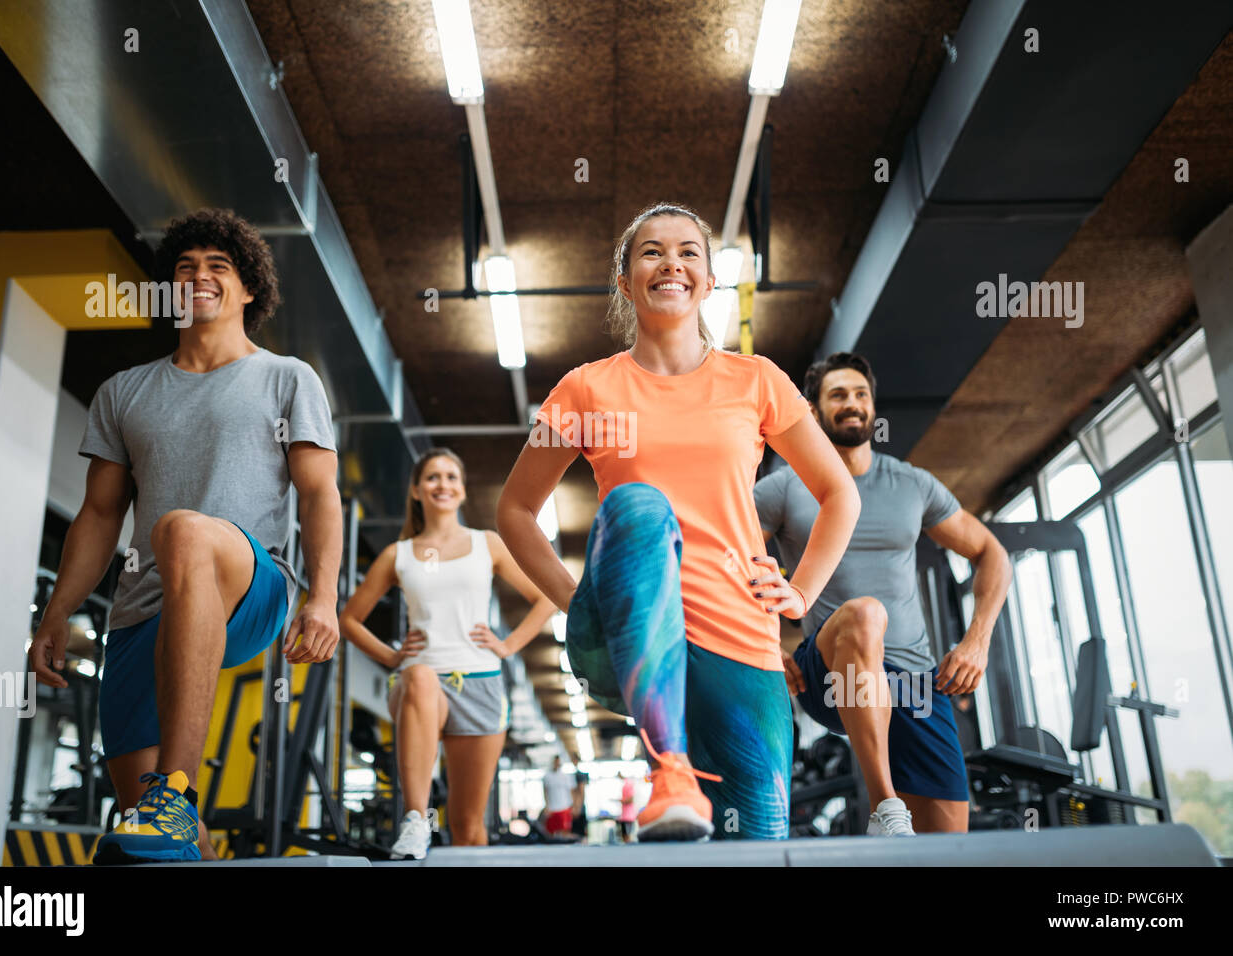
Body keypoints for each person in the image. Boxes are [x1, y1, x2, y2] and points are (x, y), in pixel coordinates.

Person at [498, 202, 861, 841]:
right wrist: (580, 600)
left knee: (761, 839)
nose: (671, 263)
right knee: (639, 504)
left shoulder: (757, 381)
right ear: (624, 279)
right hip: (632, 629)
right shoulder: (586, 389)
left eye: (689, 251)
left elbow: (840, 494)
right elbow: (515, 510)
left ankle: (695, 790)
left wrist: (800, 593)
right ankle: (669, 769)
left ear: (709, 278)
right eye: (652, 251)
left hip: (741, 631)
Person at [30, 208, 342, 864]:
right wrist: (57, 610)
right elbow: (98, 515)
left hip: (250, 587)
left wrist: (321, 597)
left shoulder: (287, 379)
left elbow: (318, 494)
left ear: (248, 289)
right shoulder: (125, 392)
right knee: (145, 833)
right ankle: (176, 821)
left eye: (218, 267)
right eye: (184, 268)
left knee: (184, 533)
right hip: (146, 608)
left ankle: (178, 787)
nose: (199, 276)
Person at [755, 351, 1011, 834]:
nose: (852, 404)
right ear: (812, 411)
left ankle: (897, 822)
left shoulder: (911, 483)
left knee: (948, 845)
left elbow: (991, 553)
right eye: (837, 395)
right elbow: (727, 553)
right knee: (865, 615)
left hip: (915, 680)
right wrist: (767, 644)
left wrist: (977, 641)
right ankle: (884, 808)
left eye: (860, 394)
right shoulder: (785, 486)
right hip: (828, 672)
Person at [339, 448, 556, 859]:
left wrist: (507, 645)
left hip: (481, 684)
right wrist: (390, 656)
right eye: (433, 477)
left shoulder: (486, 544)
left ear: (462, 490)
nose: (443, 484)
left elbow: (545, 598)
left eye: (452, 477)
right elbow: (348, 619)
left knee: (469, 827)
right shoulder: (398, 555)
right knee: (418, 675)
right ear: (417, 491)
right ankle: (417, 819)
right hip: (423, 682)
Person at [543, 756, 575, 837]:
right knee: (551, 833)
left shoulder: (566, 776)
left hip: (564, 807)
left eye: (558, 762)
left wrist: (573, 806)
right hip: (552, 808)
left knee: (565, 832)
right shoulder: (547, 777)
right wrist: (547, 806)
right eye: (555, 762)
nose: (557, 764)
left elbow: (571, 792)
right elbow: (545, 792)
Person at [619, 776, 638, 843]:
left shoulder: (628, 785)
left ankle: (627, 841)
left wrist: (621, 801)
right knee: (626, 834)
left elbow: (631, 799)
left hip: (628, 815)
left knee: (628, 834)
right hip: (626, 815)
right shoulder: (626, 784)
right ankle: (627, 841)